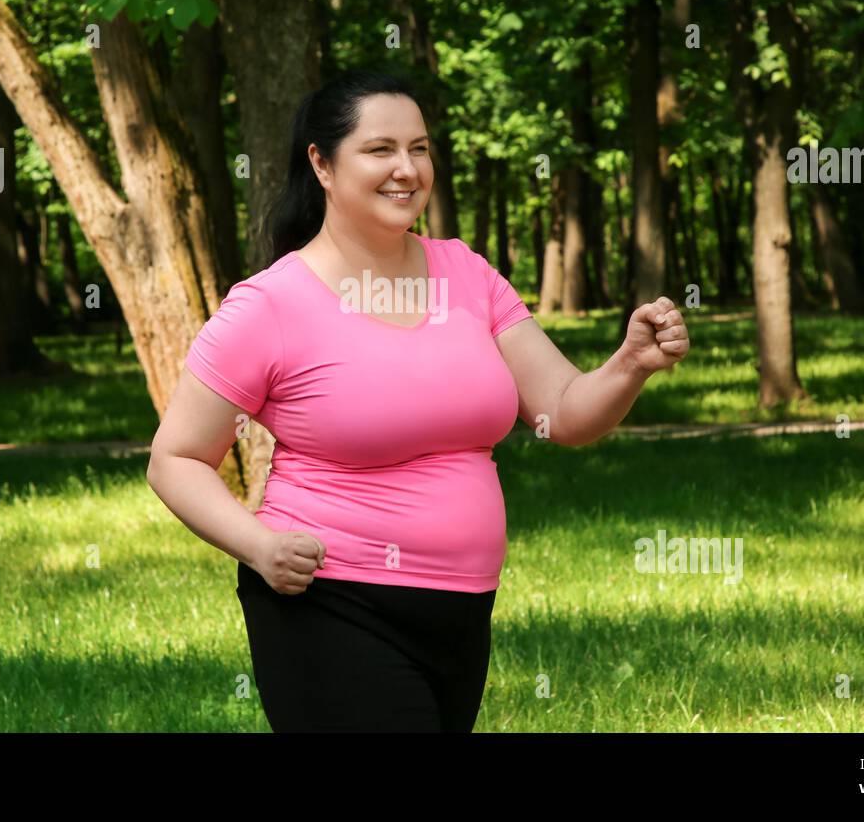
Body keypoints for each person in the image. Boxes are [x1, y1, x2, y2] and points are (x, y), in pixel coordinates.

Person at [146, 68, 690, 732]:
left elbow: (566, 413)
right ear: (321, 163)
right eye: (380, 150)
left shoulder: (467, 273)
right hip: (331, 603)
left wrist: (632, 363)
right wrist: (258, 546)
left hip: (461, 613)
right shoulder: (270, 305)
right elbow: (175, 458)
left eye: (420, 148)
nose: (407, 169)